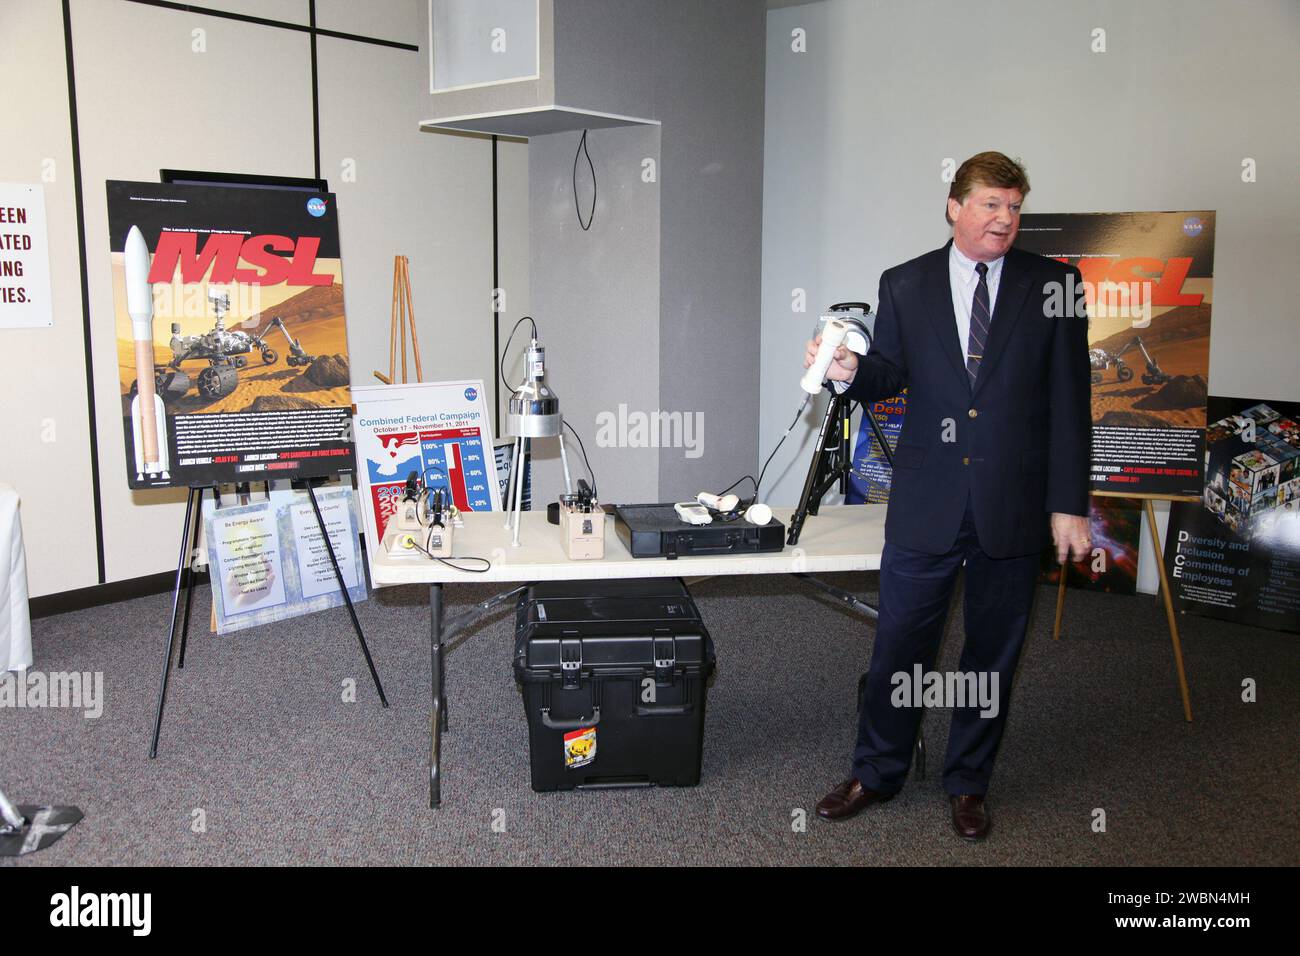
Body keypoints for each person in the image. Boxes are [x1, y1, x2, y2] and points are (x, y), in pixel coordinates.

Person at [803, 151, 1092, 841]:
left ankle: (969, 782)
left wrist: (1069, 501)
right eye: (992, 203)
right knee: (898, 648)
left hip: (1012, 506)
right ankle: (875, 772)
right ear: (955, 206)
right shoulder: (905, 283)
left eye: (1015, 207)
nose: (1005, 218)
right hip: (927, 502)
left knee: (992, 655)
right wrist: (848, 369)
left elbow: (1070, 403)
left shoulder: (1057, 285)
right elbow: (889, 375)